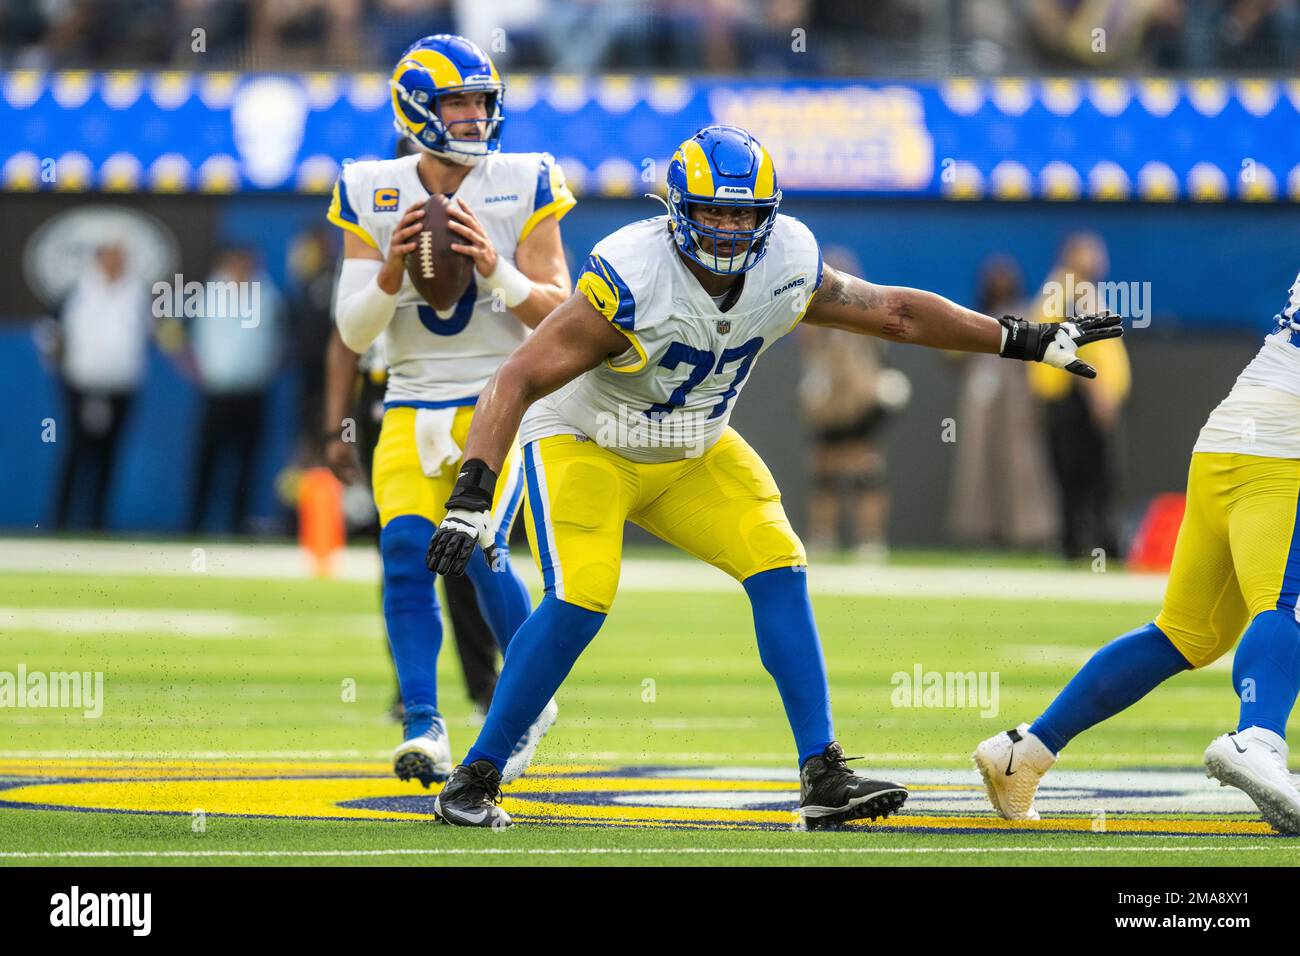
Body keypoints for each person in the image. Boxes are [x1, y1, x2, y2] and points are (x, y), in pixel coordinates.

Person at [423, 124, 1123, 828]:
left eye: (744, 214)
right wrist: (471, 493)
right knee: (582, 597)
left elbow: (896, 314)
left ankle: (823, 772)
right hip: (588, 441)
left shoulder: (787, 261)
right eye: (715, 212)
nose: (729, 230)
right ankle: (475, 777)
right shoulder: (633, 275)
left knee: (779, 563)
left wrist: (1020, 337)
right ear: (678, 209)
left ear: (770, 215)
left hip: (693, 446)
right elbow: (516, 378)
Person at [327, 33, 575, 787]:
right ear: (415, 110)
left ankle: (527, 699)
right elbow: (351, 329)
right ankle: (423, 724)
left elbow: (560, 314)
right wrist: (394, 270)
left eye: (481, 101)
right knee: (404, 555)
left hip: (496, 400)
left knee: (479, 552)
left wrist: (496, 270)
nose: (472, 115)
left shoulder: (524, 179)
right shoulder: (372, 185)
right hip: (407, 396)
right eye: (456, 102)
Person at [976, 268, 1300, 834]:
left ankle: (1026, 751)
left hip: (1230, 439)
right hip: (1282, 450)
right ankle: (1259, 737)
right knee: (1288, 605)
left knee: (1184, 634)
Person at [1028, 233, 1131, 559]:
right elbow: (1075, 344)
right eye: (1091, 251)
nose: (1099, 258)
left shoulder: (1069, 289)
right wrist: (1097, 393)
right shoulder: (1071, 291)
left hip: (1073, 398)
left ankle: (1080, 543)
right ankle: (1098, 545)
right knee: (1090, 474)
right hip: (1079, 399)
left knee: (1078, 472)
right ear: (1071, 255)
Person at [54, 241, 152, 531]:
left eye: (120, 258)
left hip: (122, 385)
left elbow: (151, 334)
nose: (116, 263)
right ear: (98, 259)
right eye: (111, 257)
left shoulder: (137, 293)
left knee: (110, 455)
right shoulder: (78, 291)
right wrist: (64, 371)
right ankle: (60, 521)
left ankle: (97, 523)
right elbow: (52, 334)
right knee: (75, 452)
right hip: (81, 384)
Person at [187, 246, 285, 533]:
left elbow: (282, 338)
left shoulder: (268, 295)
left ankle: (237, 522)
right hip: (216, 391)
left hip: (252, 391)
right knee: (208, 459)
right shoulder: (208, 293)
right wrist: (196, 369)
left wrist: (268, 368)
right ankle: (195, 522)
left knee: (247, 461)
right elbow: (183, 335)